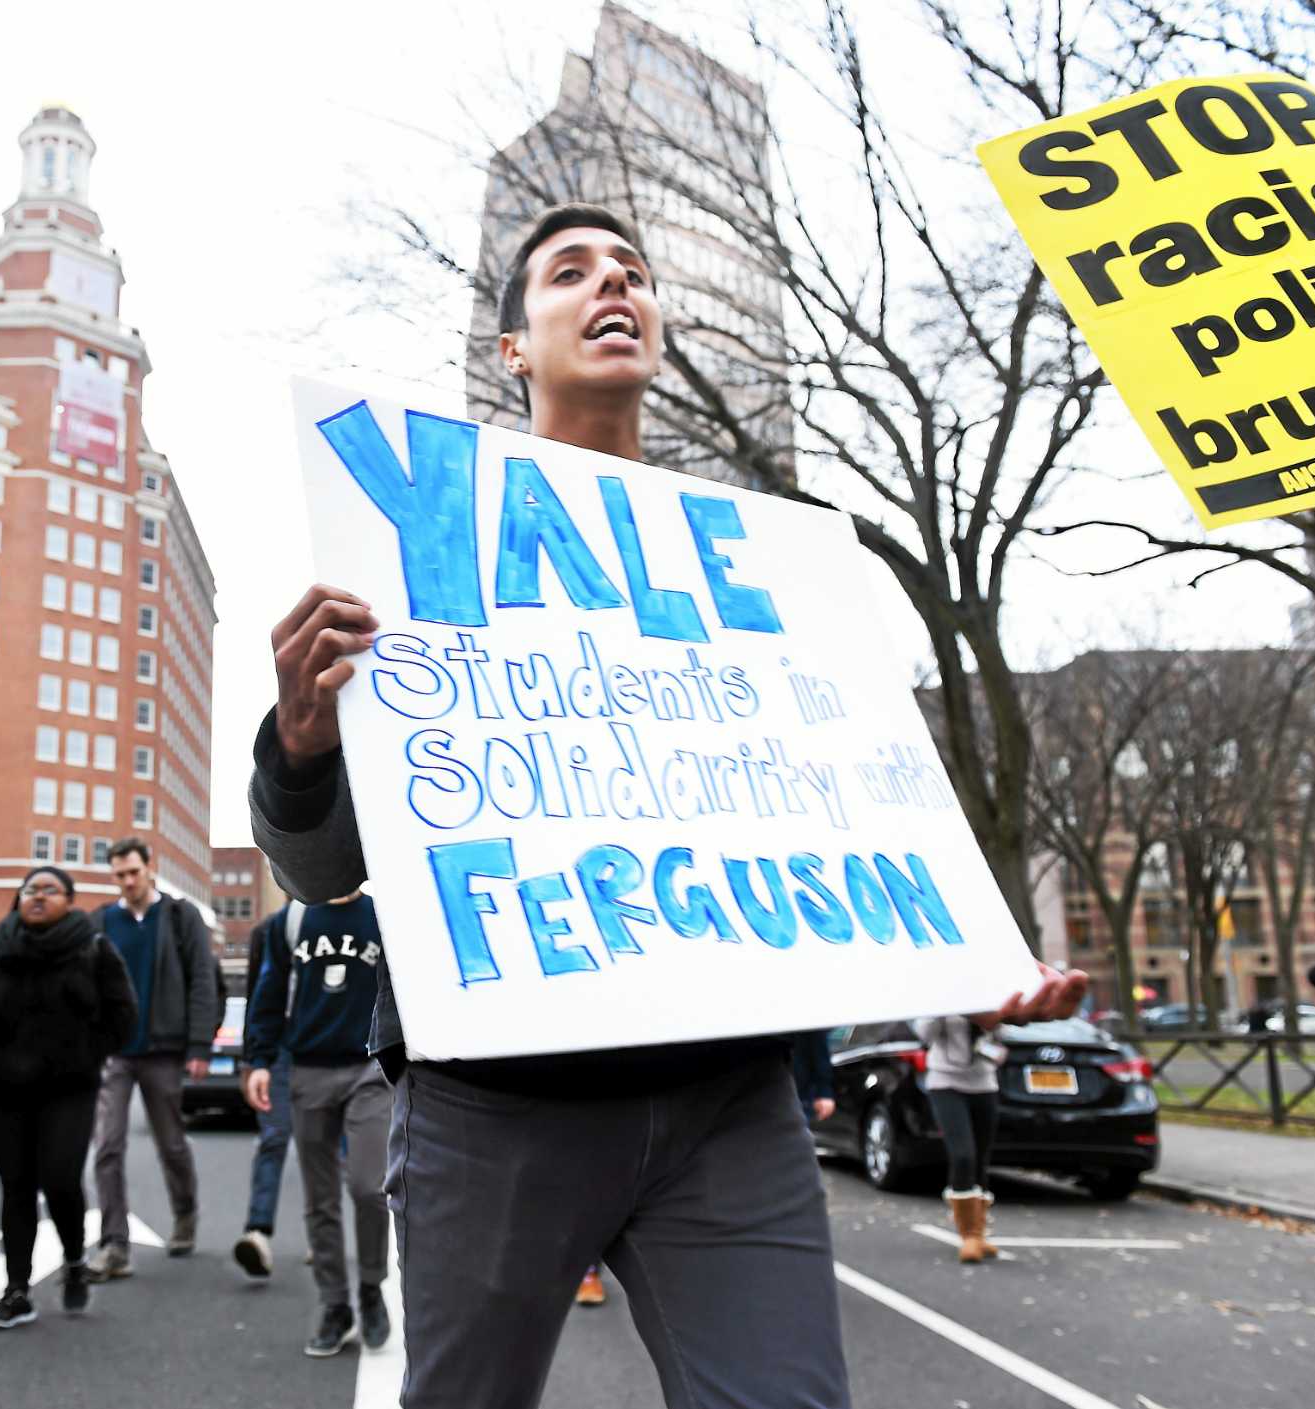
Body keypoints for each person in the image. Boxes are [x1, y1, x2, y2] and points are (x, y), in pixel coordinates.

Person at [249, 203, 1090, 1409]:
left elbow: (837, 817)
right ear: (511, 349)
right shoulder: (398, 550)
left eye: (633, 274)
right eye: (572, 273)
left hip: (724, 1108)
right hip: (495, 1109)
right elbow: (324, 872)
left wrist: (962, 956)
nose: (613, 287)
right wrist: (297, 742)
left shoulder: (766, 571)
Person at [0, 866, 136, 1330]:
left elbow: (123, 1015)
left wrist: (87, 1052)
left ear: (69, 901)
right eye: (30, 890)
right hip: (7, 1087)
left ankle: (75, 1261)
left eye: (50, 890)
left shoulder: (91, 947)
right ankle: (17, 1291)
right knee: (15, 1187)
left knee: (59, 1179)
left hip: (68, 1087)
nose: (37, 897)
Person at [245, 891, 391, 1357]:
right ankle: (335, 1304)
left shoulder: (382, 911)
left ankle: (371, 1284)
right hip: (308, 1068)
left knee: (370, 1185)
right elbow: (268, 992)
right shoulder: (290, 921)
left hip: (369, 1067)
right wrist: (261, 1059)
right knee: (320, 1198)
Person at [84, 838, 221, 1281]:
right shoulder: (102, 923)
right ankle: (114, 1244)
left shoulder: (180, 917)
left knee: (172, 1144)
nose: (126, 882)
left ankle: (185, 1213)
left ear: (149, 869)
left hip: (164, 1050)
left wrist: (199, 1047)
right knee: (107, 1146)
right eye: (119, 875)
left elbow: (202, 980)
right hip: (116, 1054)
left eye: (133, 873)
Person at [233, 902, 298, 1280]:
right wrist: (252, 1060)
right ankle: (257, 1232)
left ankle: (326, 1236)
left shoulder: (360, 917)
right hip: (280, 1052)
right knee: (273, 1139)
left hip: (337, 1053)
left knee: (333, 1150)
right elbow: (259, 1000)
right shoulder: (270, 930)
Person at [911, 1014, 1005, 1263]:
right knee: (963, 1155)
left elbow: (1003, 1034)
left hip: (985, 1082)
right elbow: (924, 1034)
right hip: (946, 1082)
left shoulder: (988, 995)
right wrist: (942, 1008)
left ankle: (980, 1231)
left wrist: (996, 1019)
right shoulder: (945, 996)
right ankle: (969, 1234)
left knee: (981, 1157)